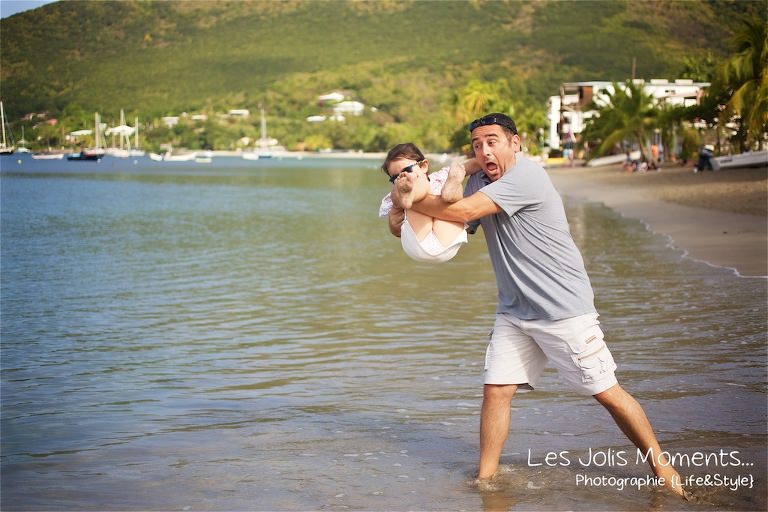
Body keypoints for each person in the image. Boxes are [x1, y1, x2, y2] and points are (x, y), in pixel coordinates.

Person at [390, 113, 687, 498]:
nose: (485, 150)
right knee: (496, 391)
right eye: (477, 145)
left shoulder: (526, 177)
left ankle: (663, 469)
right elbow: (446, 226)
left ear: (516, 142)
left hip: (562, 309)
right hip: (514, 311)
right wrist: (406, 206)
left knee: (606, 392)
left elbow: (461, 212)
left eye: (493, 141)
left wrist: (418, 196)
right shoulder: (479, 179)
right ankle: (486, 481)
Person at [379, 143, 480, 263]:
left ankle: (452, 190)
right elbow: (397, 230)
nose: (402, 178)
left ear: (423, 166)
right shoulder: (396, 195)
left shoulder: (442, 176)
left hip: (436, 243)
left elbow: (472, 165)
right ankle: (451, 191)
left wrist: (489, 161)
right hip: (428, 243)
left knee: (455, 180)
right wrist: (395, 214)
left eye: (407, 170)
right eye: (395, 178)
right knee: (426, 186)